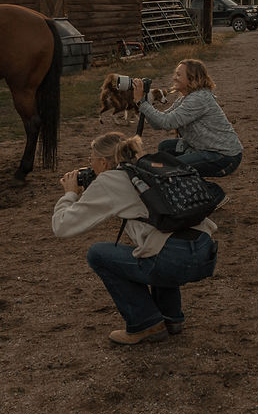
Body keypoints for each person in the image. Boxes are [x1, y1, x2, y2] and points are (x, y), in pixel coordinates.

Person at [52, 131, 219, 345]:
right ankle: (170, 317)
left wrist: (69, 194)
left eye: (91, 160)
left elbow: (62, 226)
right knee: (157, 239)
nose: (90, 165)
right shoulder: (150, 167)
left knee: (98, 254)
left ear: (103, 163)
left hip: (175, 261)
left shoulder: (110, 180)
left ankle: (145, 324)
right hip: (205, 252)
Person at [130, 59, 243, 177]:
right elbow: (158, 124)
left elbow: (167, 123)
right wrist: (143, 100)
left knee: (173, 167)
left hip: (224, 155)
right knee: (165, 147)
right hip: (203, 147)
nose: (174, 78)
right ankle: (184, 180)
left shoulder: (198, 99)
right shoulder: (185, 98)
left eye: (179, 75)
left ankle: (213, 193)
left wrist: (141, 102)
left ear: (192, 78)